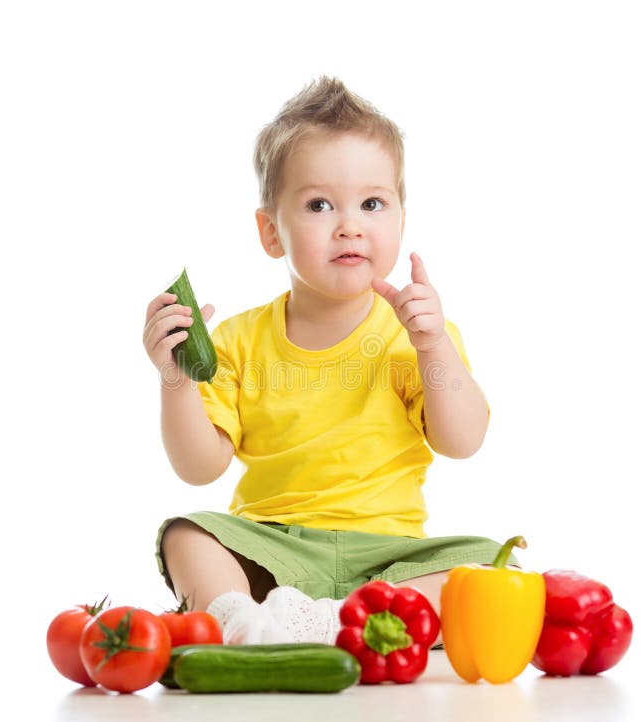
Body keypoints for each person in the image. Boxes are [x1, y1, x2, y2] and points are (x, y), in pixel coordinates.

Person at [142, 76, 513, 646]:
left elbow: (463, 440)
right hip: (274, 549)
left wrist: (434, 347)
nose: (350, 224)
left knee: (494, 566)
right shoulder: (238, 340)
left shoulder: (418, 334)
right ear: (271, 232)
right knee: (187, 535)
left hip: (390, 558)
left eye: (372, 203)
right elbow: (199, 467)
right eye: (319, 204)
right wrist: (175, 379)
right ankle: (244, 620)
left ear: (400, 220)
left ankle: (338, 620)